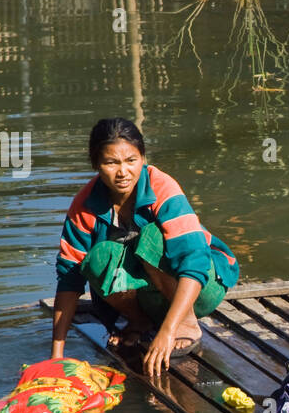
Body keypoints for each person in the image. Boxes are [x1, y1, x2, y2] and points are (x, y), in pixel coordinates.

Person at [48, 118, 239, 377]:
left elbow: (194, 263)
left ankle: (186, 324)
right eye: (111, 163)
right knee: (96, 258)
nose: (123, 172)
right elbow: (69, 278)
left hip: (201, 287)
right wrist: (56, 357)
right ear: (96, 164)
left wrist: (168, 332)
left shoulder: (162, 187)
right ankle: (140, 320)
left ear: (143, 158)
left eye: (131, 160)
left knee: (152, 236)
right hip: (146, 296)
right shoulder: (85, 204)